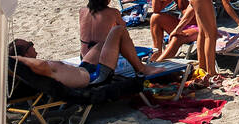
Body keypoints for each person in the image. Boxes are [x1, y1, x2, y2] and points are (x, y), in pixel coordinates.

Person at [12, 24, 169, 89]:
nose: (33, 45)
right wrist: (10, 59)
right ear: (25, 54)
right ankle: (141, 68)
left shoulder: (32, 69)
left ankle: (138, 63)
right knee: (118, 30)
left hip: (84, 69)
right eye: (30, 44)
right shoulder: (38, 67)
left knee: (102, 43)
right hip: (95, 78)